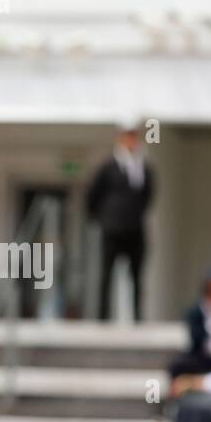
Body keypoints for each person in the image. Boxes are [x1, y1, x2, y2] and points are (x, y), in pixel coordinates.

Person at [87, 123, 155, 320]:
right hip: (112, 229)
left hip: (134, 228)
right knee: (106, 275)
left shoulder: (143, 168)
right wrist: (103, 219)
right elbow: (93, 196)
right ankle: (103, 316)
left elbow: (148, 196)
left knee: (136, 276)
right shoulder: (108, 167)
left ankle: (137, 317)